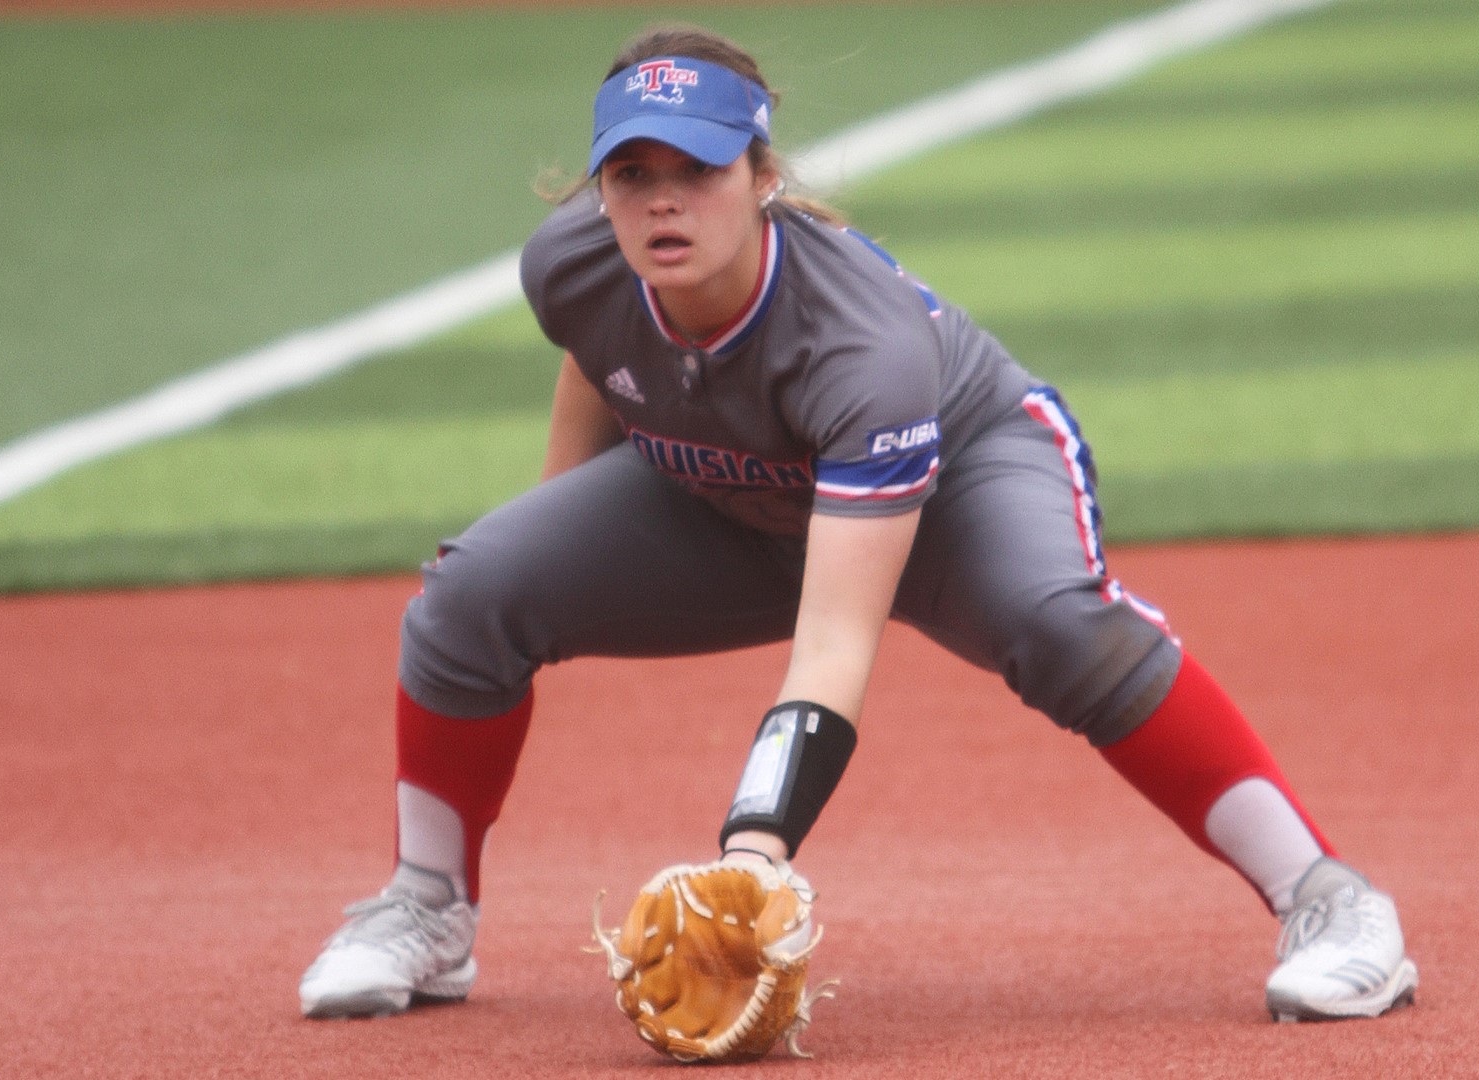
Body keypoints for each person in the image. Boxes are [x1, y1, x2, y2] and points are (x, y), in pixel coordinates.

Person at [297, 24, 1417, 1027]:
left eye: (699, 169)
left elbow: (833, 644)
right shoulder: (572, 260)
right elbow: (603, 353)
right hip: (739, 493)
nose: (663, 201)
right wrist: (548, 555)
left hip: (958, 479)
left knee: (1057, 625)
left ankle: (1330, 897)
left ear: (763, 176)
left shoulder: (858, 345)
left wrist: (753, 855)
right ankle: (425, 907)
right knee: (471, 594)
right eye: (633, 174)